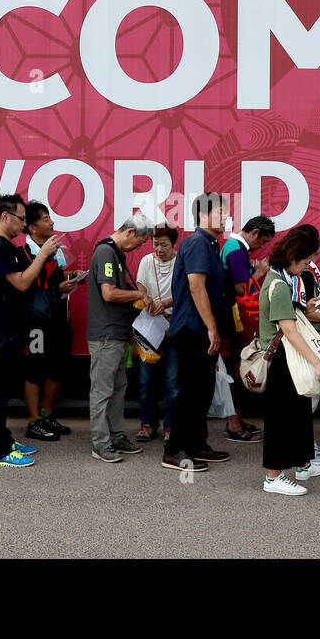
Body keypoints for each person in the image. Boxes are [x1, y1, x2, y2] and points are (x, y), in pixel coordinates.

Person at [0, 193, 54, 468]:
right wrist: (43, 253)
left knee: (6, 386)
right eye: (22, 218)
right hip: (6, 326)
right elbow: (22, 283)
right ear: (5, 216)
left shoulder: (6, 246)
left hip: (15, 324)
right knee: (0, 389)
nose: (24, 224)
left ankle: (6, 440)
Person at [257, 226, 320, 496]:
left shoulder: (282, 277)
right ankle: (273, 476)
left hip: (287, 355)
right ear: (292, 256)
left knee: (298, 412)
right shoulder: (279, 285)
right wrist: (317, 363)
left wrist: (307, 308)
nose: (306, 267)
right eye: (304, 262)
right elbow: (289, 330)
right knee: (282, 418)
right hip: (282, 357)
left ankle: (302, 464)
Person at [161, 193, 233, 474]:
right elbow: (196, 287)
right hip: (193, 329)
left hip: (200, 329)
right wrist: (212, 327)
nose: (226, 216)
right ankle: (174, 450)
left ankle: (195, 444)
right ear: (203, 215)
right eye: (220, 211)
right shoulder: (197, 243)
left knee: (202, 392)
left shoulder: (210, 245)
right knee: (190, 392)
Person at [88, 215, 154, 463]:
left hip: (117, 334)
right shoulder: (106, 252)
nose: (139, 247)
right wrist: (139, 294)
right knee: (103, 391)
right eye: (140, 242)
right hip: (106, 334)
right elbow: (109, 293)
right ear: (129, 232)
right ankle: (101, 444)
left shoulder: (115, 254)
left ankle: (116, 436)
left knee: (118, 389)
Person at [21, 201, 79, 442]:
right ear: (32, 227)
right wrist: (57, 287)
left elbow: (53, 279)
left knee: (59, 367)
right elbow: (25, 286)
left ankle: (46, 415)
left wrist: (71, 278)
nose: (52, 222)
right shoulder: (23, 254)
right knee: (35, 370)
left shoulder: (56, 250)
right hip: (36, 321)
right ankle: (34, 422)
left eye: (50, 217)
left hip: (58, 318)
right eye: (46, 219)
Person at [220, 215, 275, 442]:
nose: (261, 247)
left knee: (237, 367)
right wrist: (260, 273)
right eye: (262, 242)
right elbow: (241, 290)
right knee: (237, 368)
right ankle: (233, 424)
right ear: (254, 233)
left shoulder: (233, 247)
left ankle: (236, 419)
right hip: (231, 319)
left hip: (231, 319)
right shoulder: (236, 250)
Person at [135, 224, 179, 442]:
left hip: (172, 327)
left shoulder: (180, 262)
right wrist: (146, 299)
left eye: (164, 245)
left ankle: (171, 425)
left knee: (172, 380)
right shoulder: (146, 261)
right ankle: (147, 423)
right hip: (149, 325)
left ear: (173, 244)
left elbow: (187, 291)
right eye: (155, 244)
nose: (159, 249)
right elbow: (140, 286)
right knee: (145, 379)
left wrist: (166, 303)